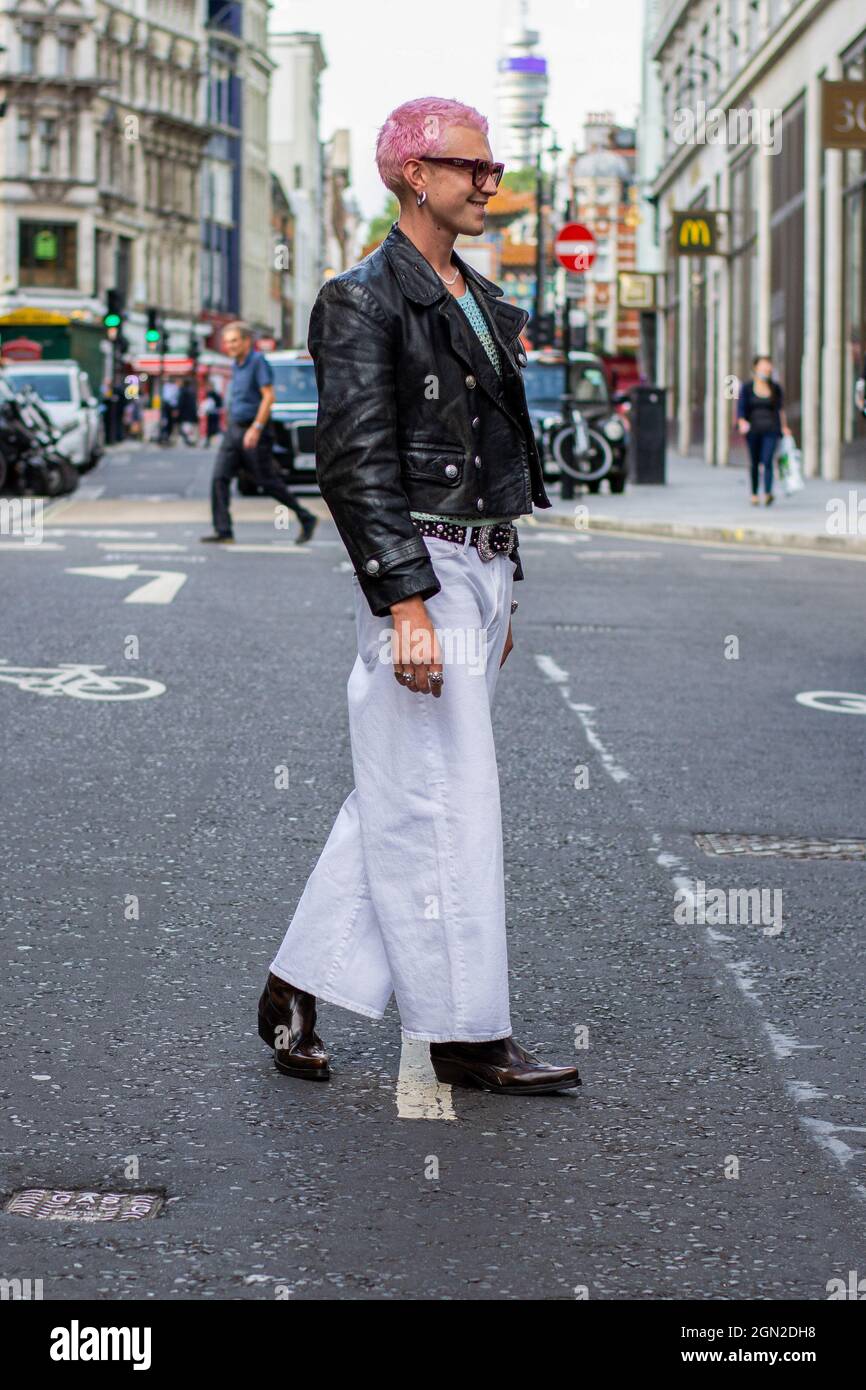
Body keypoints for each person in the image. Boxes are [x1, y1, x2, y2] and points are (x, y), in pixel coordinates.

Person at [259, 96, 582, 1095]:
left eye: (489, 170)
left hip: (473, 570)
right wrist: (404, 600)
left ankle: (293, 986)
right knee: (448, 802)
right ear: (411, 172)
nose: (488, 184)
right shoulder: (361, 297)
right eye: (469, 167)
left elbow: (494, 453)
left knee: (408, 792)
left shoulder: (477, 299)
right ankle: (462, 1032)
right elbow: (353, 460)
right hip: (423, 570)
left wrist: (502, 587)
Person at [200, 322, 317, 544]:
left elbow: (268, 396)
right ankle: (223, 531)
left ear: (246, 341)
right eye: (226, 342)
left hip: (253, 430)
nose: (229, 346)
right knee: (219, 478)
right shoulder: (236, 364)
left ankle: (306, 517)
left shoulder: (257, 362)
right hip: (234, 430)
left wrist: (256, 428)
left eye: (234, 341)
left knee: (267, 481)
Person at [736, 355, 792, 506]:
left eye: (768, 366)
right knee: (754, 462)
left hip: (771, 429)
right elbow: (741, 408)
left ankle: (767, 492)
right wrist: (741, 422)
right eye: (763, 366)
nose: (766, 369)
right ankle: (754, 493)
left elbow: (780, 410)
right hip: (753, 430)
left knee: (767, 460)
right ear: (755, 368)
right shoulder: (747, 388)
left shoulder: (775, 388)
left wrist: (784, 427)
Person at [177, 378, 199, 447]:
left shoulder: (183, 391)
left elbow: (181, 403)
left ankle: (188, 440)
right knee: (187, 427)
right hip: (190, 413)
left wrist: (178, 410)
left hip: (185, 413)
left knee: (184, 427)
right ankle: (189, 440)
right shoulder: (192, 391)